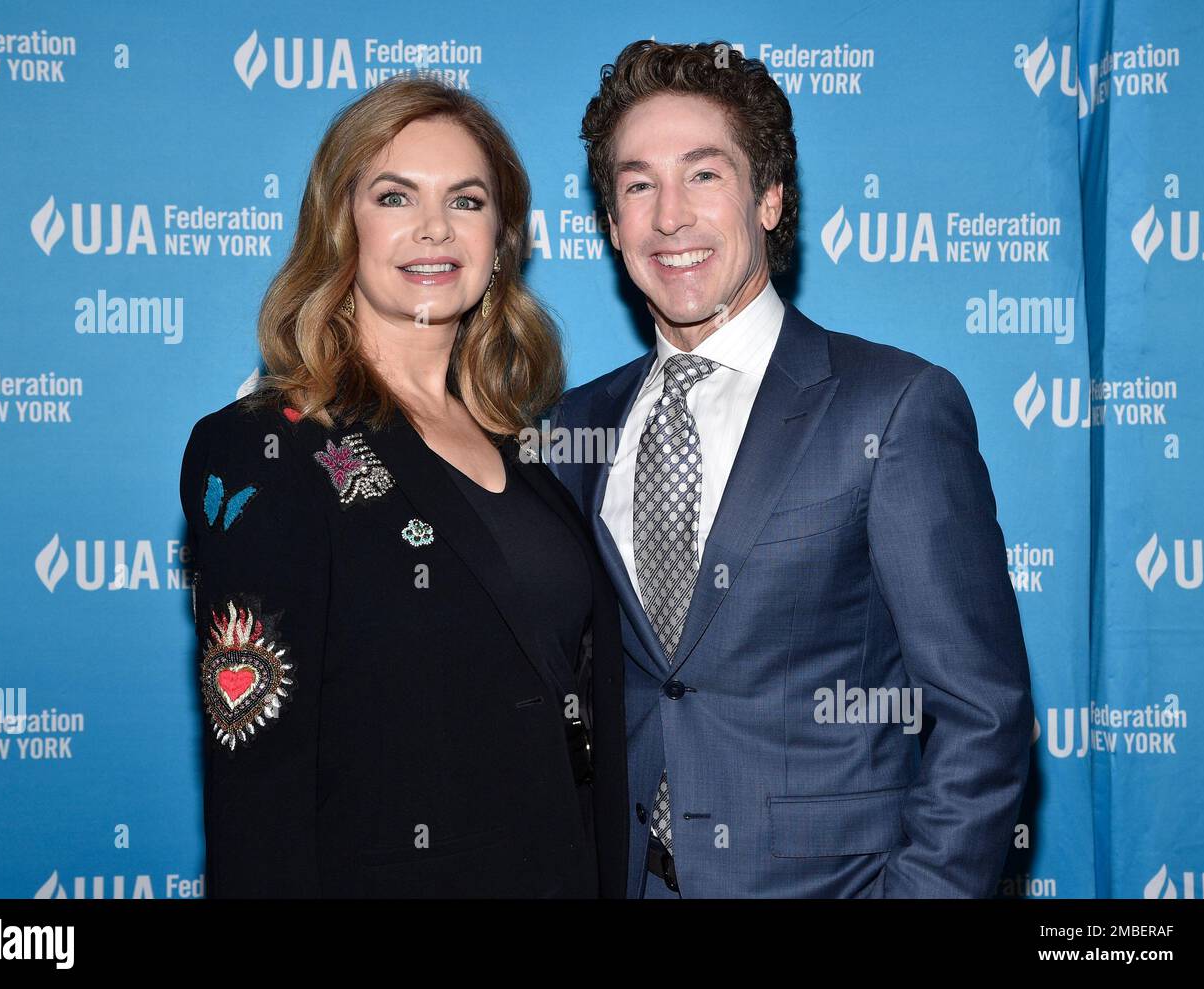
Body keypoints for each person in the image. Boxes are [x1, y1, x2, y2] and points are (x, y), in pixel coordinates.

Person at [547, 40, 1033, 898]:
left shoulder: (893, 406)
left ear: (769, 197)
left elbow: (983, 713)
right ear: (611, 221)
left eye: (704, 175)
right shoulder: (572, 428)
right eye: (637, 185)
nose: (670, 217)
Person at [179, 76, 627, 898]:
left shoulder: (525, 454)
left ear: (501, 239)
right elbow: (259, 792)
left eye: (466, 200)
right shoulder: (266, 448)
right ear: (340, 224)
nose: (433, 228)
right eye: (395, 196)